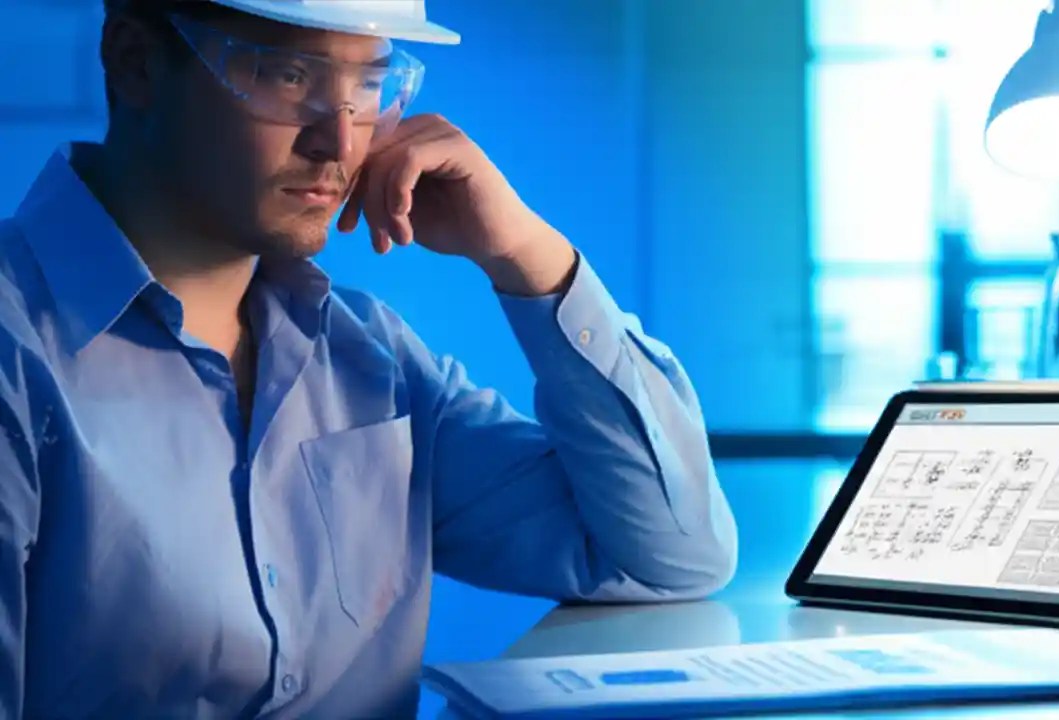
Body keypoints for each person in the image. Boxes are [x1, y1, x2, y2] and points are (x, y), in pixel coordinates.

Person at [0, 0, 737, 716]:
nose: (341, 141)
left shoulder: (368, 359)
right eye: (289, 76)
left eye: (367, 85)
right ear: (135, 63)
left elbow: (667, 556)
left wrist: (522, 251)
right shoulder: (17, 352)